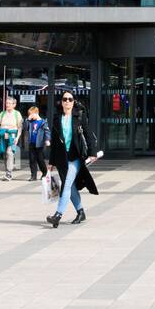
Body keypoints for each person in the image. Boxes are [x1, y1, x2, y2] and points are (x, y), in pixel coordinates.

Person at [45, 90, 101, 228]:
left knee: (67, 185)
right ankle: (81, 211)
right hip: (61, 159)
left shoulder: (79, 116)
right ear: (61, 102)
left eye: (70, 99)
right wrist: (51, 162)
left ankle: (58, 215)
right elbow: (55, 141)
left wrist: (92, 152)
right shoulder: (57, 118)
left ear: (74, 101)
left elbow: (88, 134)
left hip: (76, 156)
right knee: (71, 187)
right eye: (65, 99)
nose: (67, 102)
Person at [0, 95, 23, 181]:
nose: (7, 105)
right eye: (7, 103)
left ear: (14, 104)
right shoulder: (2, 114)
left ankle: (9, 173)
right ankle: (8, 170)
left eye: (10, 103)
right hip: (2, 136)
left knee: (9, 152)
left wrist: (17, 137)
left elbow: (20, 127)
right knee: (3, 154)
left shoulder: (17, 114)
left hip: (12, 136)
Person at [23, 105, 51, 182]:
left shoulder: (43, 122)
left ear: (36, 113)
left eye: (31, 115)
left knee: (40, 159)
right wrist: (27, 120)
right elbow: (25, 128)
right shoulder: (30, 122)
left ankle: (44, 172)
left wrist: (47, 139)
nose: (30, 117)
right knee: (32, 160)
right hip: (31, 143)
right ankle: (33, 175)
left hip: (40, 144)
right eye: (29, 115)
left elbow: (47, 131)